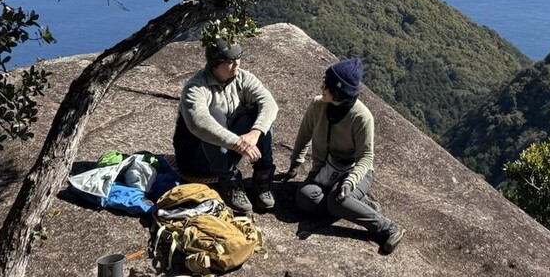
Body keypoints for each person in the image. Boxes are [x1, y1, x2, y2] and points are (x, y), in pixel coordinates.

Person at [288, 58, 405, 253]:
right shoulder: (318, 105)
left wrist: (350, 182)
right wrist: (295, 163)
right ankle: (357, 205)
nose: (322, 86)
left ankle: (387, 227)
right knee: (304, 199)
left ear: (339, 92)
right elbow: (304, 134)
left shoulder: (362, 117)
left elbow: (366, 158)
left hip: (356, 173)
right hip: (325, 170)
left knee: (336, 201)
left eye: (327, 84)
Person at [174, 38, 279, 215]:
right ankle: (229, 182)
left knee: (259, 115)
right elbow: (200, 123)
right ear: (214, 64)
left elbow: (269, 103)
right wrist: (238, 142)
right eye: (230, 61)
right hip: (197, 157)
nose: (236, 64)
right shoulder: (196, 87)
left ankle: (262, 176)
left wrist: (255, 132)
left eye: (238, 58)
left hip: (227, 150)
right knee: (214, 114)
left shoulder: (243, 77)